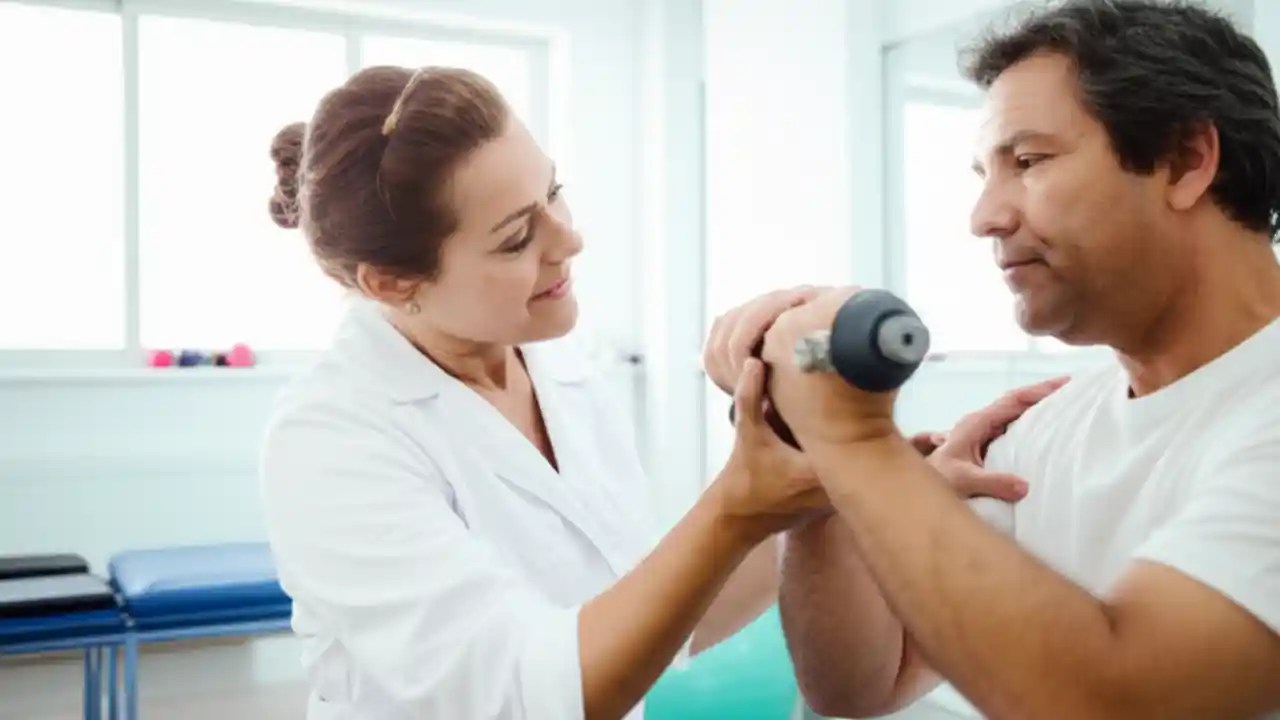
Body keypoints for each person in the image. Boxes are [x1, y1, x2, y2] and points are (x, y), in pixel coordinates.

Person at [257, 65, 1046, 719]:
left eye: (554, 194)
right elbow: (534, 694)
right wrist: (737, 501)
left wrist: (844, 495)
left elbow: (658, 614)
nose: (570, 240)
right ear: (393, 283)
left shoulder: (560, 371)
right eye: (515, 237)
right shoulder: (332, 440)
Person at [706, 1, 1280, 718]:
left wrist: (853, 439)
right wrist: (818, 489)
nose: (985, 217)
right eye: (986, 172)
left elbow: (1121, 700)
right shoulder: (1045, 429)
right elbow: (861, 686)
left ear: (1186, 161)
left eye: (1028, 162)